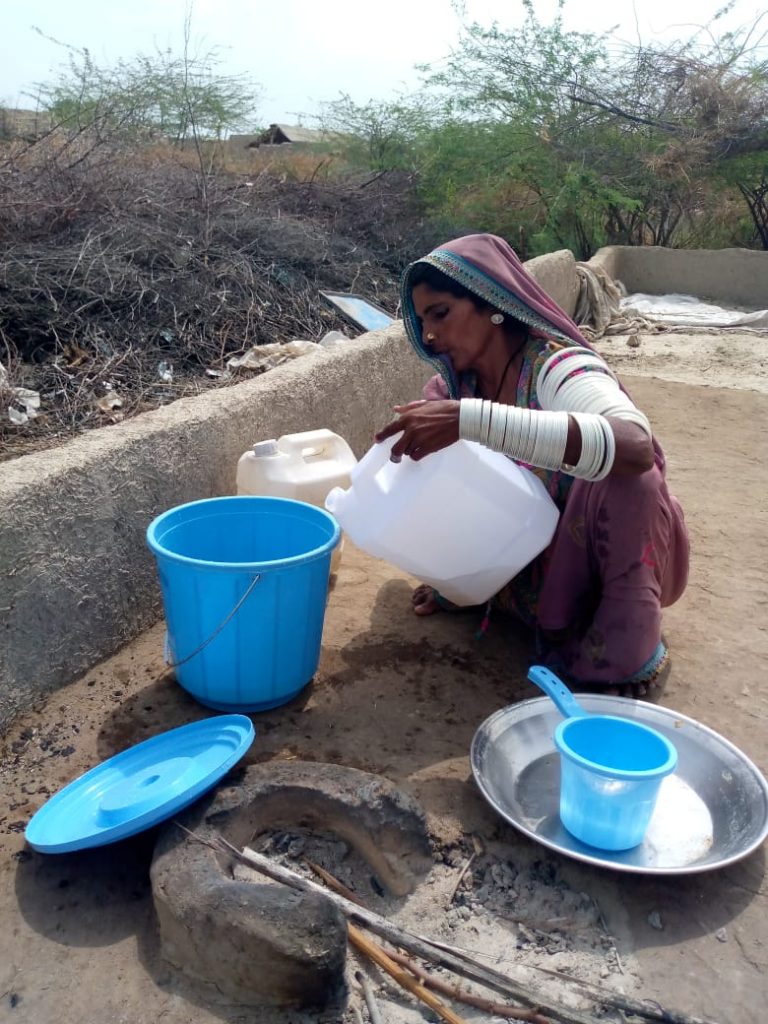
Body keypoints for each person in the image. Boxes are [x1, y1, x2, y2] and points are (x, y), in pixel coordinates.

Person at [375, 233, 689, 698]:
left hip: (595, 565)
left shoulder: (557, 368)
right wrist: (454, 581)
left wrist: (470, 422)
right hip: (521, 573)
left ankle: (621, 654)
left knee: (631, 481)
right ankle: (499, 599)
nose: (428, 336)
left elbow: (636, 447)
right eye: (422, 322)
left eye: (440, 313)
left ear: (491, 303)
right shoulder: (451, 392)